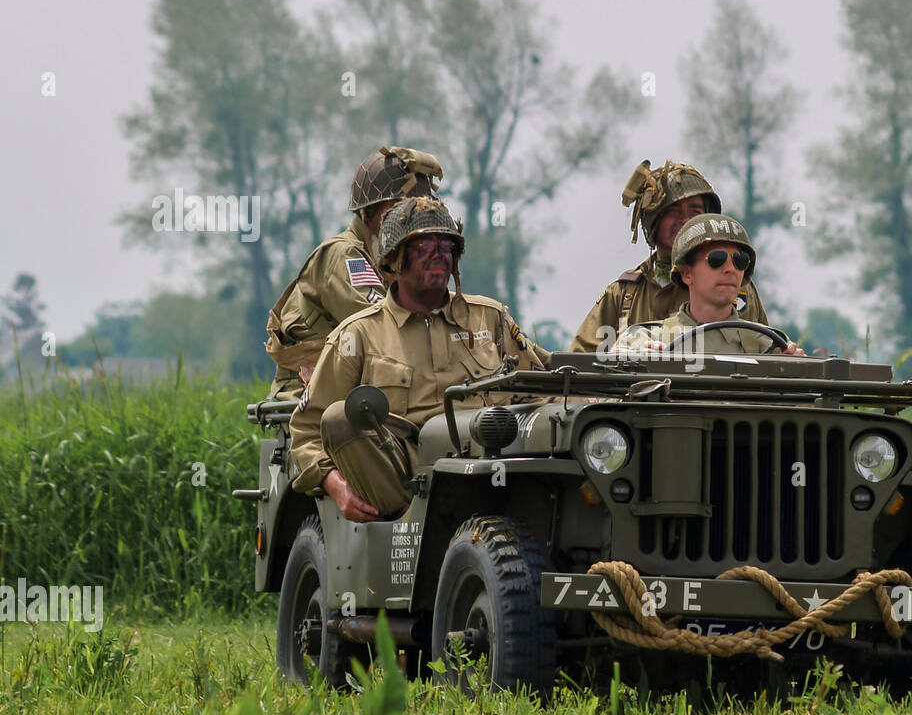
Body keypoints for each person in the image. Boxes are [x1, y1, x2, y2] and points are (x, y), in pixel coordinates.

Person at [289, 196, 548, 523]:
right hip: (406, 484)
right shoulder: (358, 334)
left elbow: (540, 386)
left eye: (446, 246)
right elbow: (307, 428)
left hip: (497, 466)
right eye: (424, 245)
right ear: (394, 258)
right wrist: (335, 484)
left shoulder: (489, 318)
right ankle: (409, 528)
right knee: (340, 417)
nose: (437, 255)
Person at [265, 145, 444, 400]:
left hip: (364, 390)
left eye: (415, 212)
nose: (406, 222)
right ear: (367, 212)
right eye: (397, 211)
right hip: (313, 398)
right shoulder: (347, 256)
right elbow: (384, 326)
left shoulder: (392, 261)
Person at [568, 159, 770, 352]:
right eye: (673, 212)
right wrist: (623, 355)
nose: (685, 220)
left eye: (695, 211)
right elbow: (580, 365)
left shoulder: (738, 289)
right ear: (654, 222)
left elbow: (765, 354)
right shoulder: (624, 294)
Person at [613, 213, 805, 357]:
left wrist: (798, 374)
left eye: (740, 260)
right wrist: (631, 362)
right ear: (687, 273)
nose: (730, 269)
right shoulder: (646, 340)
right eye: (717, 259)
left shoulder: (769, 345)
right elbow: (606, 397)